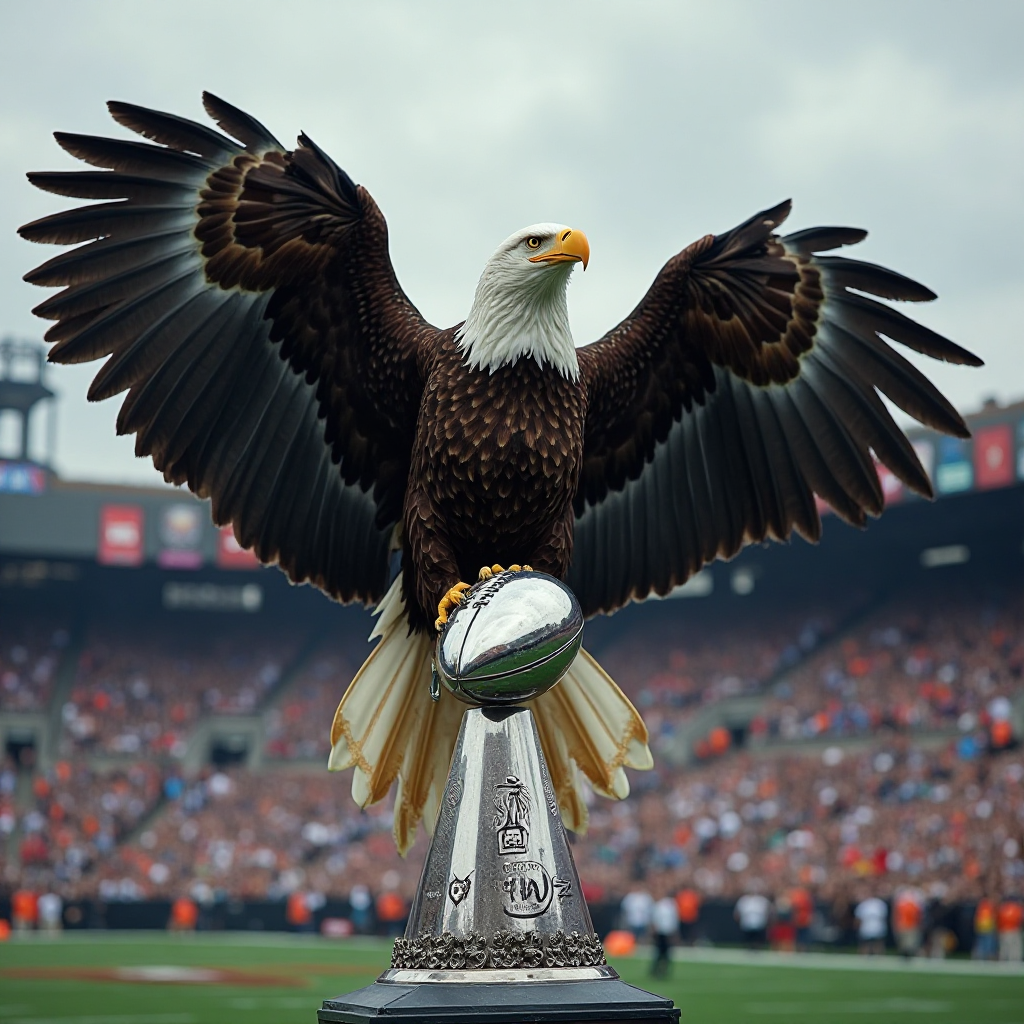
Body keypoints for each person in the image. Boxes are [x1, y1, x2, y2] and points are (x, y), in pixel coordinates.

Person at [650, 893, 678, 978]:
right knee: (660, 952)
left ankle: (661, 969)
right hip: (662, 932)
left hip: (666, 931)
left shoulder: (669, 905)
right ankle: (657, 969)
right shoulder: (661, 905)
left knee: (664, 952)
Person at [892, 889, 923, 959]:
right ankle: (905, 956)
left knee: (909, 943)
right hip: (905, 925)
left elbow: (917, 916)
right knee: (905, 942)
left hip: (909, 925)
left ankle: (907, 956)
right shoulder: (904, 905)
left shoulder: (912, 905)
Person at [997, 897, 1023, 962]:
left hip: (1004, 931)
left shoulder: (1003, 909)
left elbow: (999, 920)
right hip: (1014, 930)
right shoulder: (1016, 909)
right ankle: (1014, 961)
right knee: (1014, 948)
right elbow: (1019, 920)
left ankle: (1003, 961)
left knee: (1004, 948)